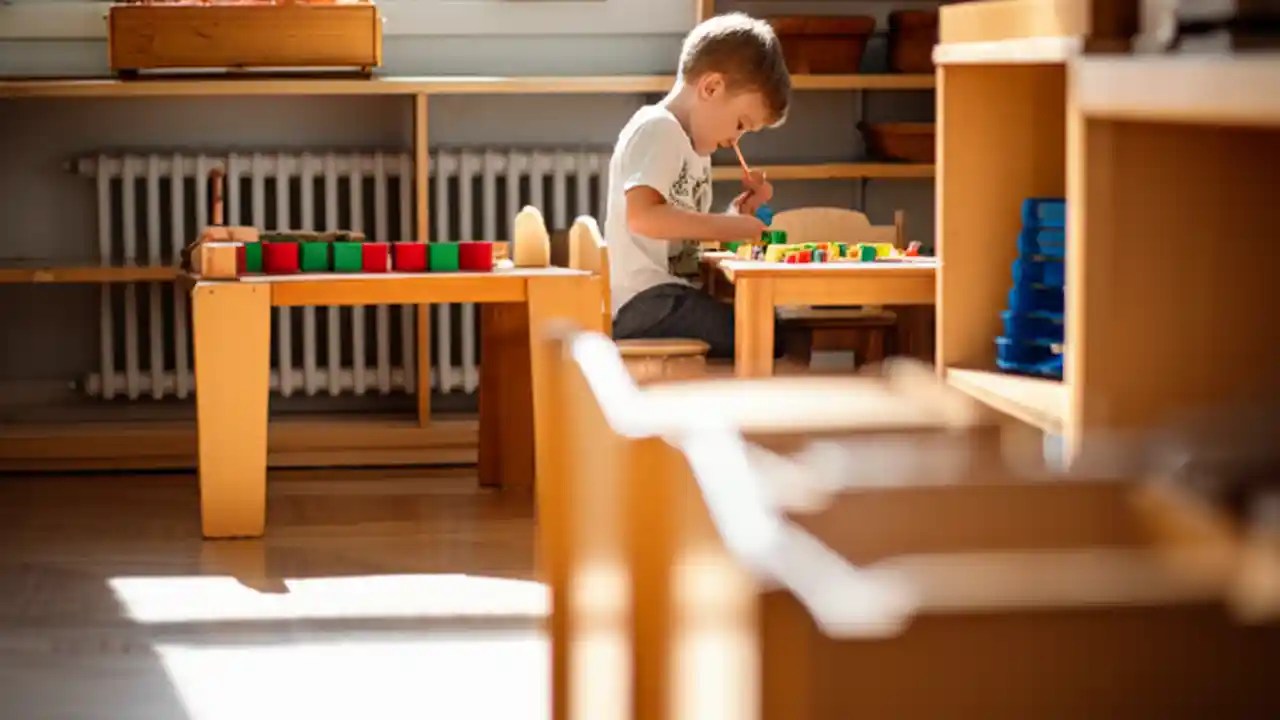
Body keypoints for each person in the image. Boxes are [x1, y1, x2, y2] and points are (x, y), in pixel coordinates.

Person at [604, 12, 791, 358]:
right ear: (711, 88)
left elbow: (684, 232)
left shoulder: (693, 149)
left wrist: (737, 215)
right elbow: (643, 217)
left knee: (766, 325)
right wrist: (728, 225)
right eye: (740, 123)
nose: (736, 138)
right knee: (766, 334)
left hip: (667, 297)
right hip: (645, 301)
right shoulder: (659, 130)